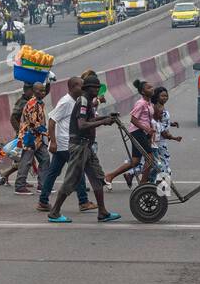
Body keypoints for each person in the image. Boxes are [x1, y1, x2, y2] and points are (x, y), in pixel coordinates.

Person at [49, 75, 120, 223]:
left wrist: (106, 118)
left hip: (87, 146)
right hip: (79, 145)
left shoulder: (87, 101)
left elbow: (89, 120)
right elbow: (82, 125)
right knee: (71, 179)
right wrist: (103, 122)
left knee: (97, 177)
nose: (98, 90)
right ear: (88, 88)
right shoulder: (83, 101)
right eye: (96, 88)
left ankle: (102, 212)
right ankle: (54, 212)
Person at [38, 76, 98, 214]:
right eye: (80, 86)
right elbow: (52, 121)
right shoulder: (65, 102)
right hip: (65, 143)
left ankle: (43, 201)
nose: (82, 89)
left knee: (53, 172)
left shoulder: (76, 101)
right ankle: (83, 201)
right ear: (72, 87)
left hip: (64, 144)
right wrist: (53, 142)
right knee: (78, 170)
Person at [106, 79, 157, 187]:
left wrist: (150, 131)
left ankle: (110, 176)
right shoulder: (141, 103)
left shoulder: (149, 103)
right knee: (150, 158)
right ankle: (143, 184)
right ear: (143, 92)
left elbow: (148, 119)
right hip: (138, 132)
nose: (152, 89)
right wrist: (146, 129)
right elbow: (133, 120)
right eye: (149, 88)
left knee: (135, 161)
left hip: (143, 133)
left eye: (152, 87)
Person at [13, 82, 49, 194]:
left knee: (45, 158)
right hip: (29, 137)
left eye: (43, 91)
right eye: (40, 91)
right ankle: (20, 186)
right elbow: (33, 123)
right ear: (34, 91)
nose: (43, 93)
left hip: (37, 138)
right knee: (26, 161)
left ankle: (42, 185)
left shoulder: (40, 103)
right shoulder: (32, 104)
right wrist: (47, 133)